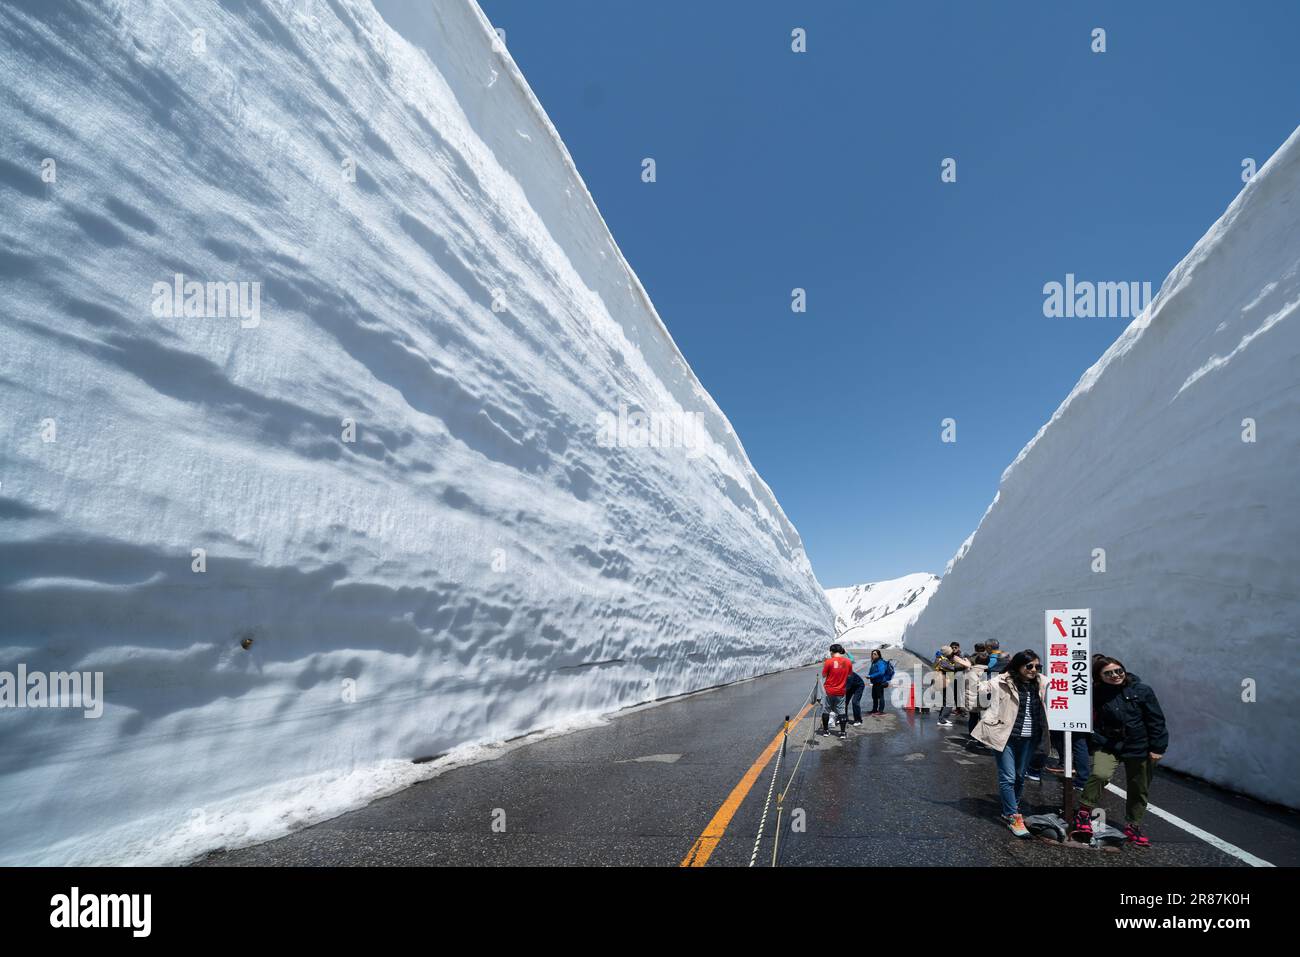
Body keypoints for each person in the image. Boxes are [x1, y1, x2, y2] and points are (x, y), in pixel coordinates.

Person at [1075, 656, 1168, 846]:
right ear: (1099, 677)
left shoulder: (1142, 690)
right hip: (1108, 744)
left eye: (1118, 670)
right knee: (1100, 774)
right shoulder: (1095, 692)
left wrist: (1158, 747)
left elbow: (1156, 720)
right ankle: (1084, 812)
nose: (1115, 675)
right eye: (1108, 673)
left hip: (1140, 745)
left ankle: (1133, 825)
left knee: (1139, 788)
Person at [972, 649, 1047, 838]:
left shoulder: (1042, 682)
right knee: (1008, 777)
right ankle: (1014, 816)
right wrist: (972, 671)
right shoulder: (1002, 681)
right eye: (1029, 666)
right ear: (1018, 665)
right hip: (1005, 736)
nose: (1034, 670)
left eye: (1037, 666)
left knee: (1021, 776)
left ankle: (1010, 808)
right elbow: (979, 690)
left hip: (1031, 737)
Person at [820, 643, 853, 737]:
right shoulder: (848, 662)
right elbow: (849, 674)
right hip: (841, 691)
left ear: (832, 651)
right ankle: (842, 732)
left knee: (826, 711)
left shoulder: (829, 662)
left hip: (829, 690)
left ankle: (826, 731)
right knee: (842, 712)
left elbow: (824, 675)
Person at [964, 647, 990, 735]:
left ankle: (972, 734)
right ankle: (980, 738)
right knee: (983, 718)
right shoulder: (987, 671)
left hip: (971, 698)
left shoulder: (971, 670)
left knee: (973, 717)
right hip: (983, 698)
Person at [867, 649, 892, 715]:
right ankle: (874, 709)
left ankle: (881, 711)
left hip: (880, 682)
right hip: (875, 682)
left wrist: (871, 676)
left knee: (880, 697)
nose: (873, 655)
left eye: (875, 654)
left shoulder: (880, 662)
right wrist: (869, 676)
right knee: (874, 696)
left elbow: (881, 672)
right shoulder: (874, 662)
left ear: (878, 655)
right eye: (872, 654)